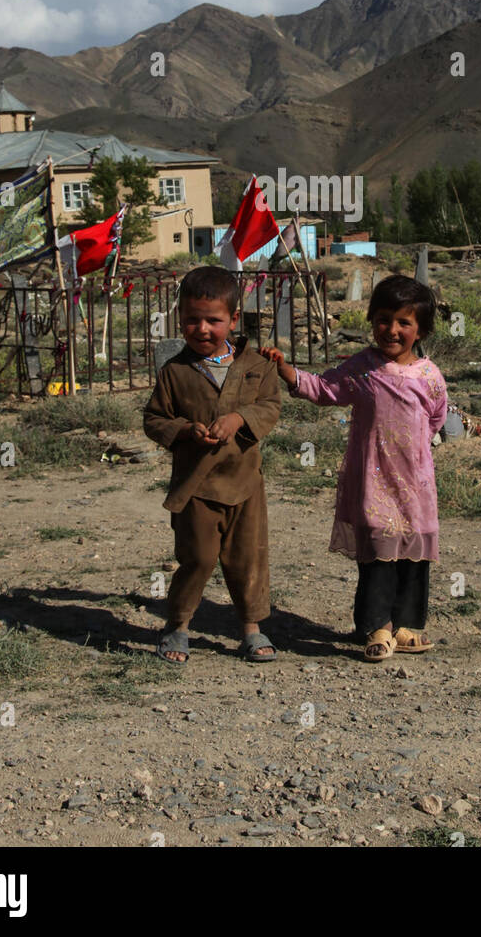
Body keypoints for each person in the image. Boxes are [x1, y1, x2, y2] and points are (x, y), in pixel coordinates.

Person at [262, 274, 447, 661]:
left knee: (414, 556)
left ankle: (407, 626)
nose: (391, 330)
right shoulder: (363, 367)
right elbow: (325, 389)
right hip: (374, 480)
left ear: (421, 329)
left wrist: (413, 454)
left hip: (415, 483)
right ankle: (376, 627)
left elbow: (436, 419)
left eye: (403, 323)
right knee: (379, 553)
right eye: (383, 319)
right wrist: (287, 372)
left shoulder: (429, 375)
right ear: (371, 320)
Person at [143, 267, 281, 667]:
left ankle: (252, 628)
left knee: (248, 558)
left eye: (213, 320)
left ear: (234, 320)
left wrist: (239, 419)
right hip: (197, 486)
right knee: (198, 558)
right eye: (191, 319)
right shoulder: (176, 372)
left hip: (245, 483)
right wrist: (186, 431)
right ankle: (179, 625)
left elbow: (270, 407)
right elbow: (154, 419)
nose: (201, 328)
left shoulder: (258, 366)